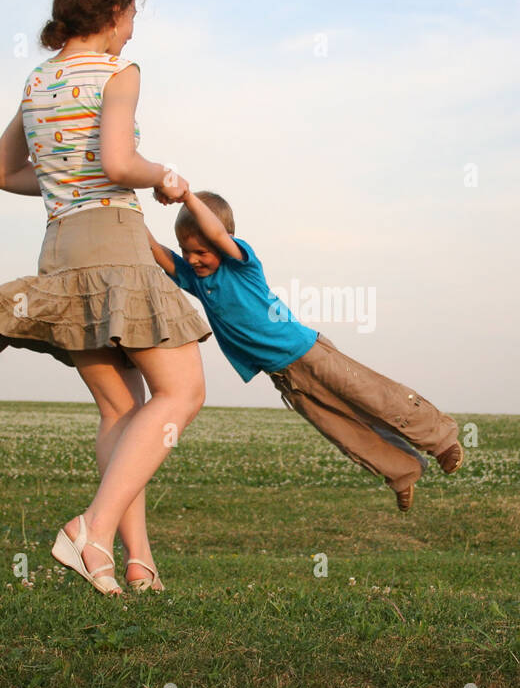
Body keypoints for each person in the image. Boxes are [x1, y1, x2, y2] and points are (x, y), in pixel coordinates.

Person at [0, 0, 209, 597]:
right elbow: (121, 162)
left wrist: (62, 183)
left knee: (121, 409)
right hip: (115, 244)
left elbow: (3, 174)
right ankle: (90, 529)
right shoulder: (118, 73)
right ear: (112, 12)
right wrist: (165, 177)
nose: (131, 32)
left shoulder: (38, 80)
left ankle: (130, 561)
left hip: (62, 253)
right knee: (182, 391)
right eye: (131, 17)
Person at [147, 191, 464, 511]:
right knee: (343, 430)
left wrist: (186, 196)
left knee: (375, 399)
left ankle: (441, 440)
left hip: (309, 353)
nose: (192, 259)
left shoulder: (241, 266)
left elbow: (213, 232)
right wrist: (131, 218)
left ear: (226, 240)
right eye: (186, 251)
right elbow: (161, 255)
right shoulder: (199, 282)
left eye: (200, 251)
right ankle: (403, 472)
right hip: (285, 378)